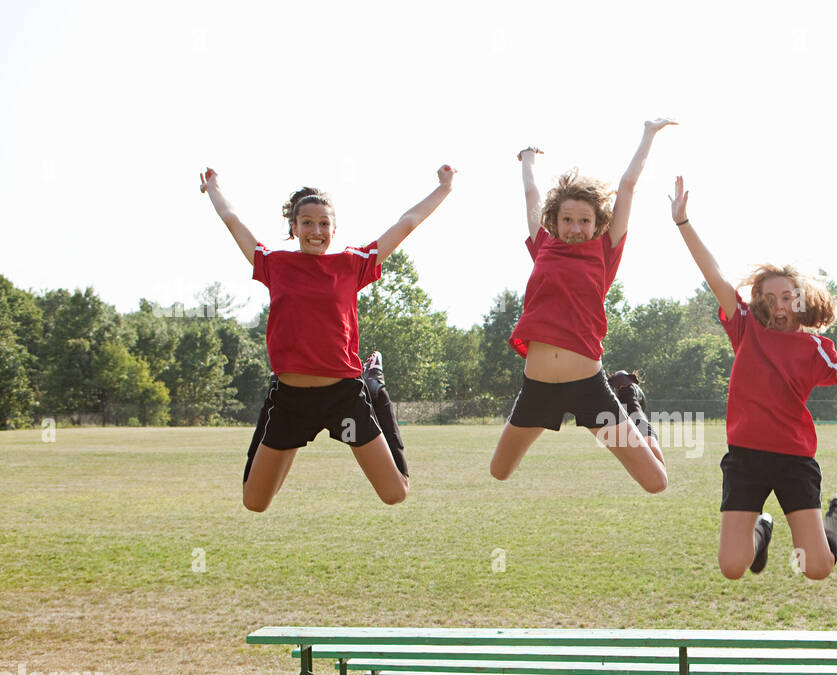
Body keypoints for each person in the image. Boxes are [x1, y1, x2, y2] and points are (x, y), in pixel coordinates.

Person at [671, 177, 837, 580]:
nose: (779, 305)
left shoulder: (813, 347)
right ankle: (762, 530)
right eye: (769, 298)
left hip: (793, 459)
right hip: (745, 457)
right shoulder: (745, 326)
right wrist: (683, 223)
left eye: (787, 297)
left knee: (816, 568)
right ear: (758, 301)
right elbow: (714, 275)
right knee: (732, 566)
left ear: (800, 301)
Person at [199, 165, 454, 511]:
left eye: (323, 223)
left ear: (333, 228)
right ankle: (284, 432)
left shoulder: (352, 263)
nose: (316, 230)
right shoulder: (275, 264)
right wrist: (214, 188)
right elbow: (233, 220)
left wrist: (444, 188)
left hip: (343, 398)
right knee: (255, 502)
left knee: (395, 493)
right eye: (307, 222)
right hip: (290, 400)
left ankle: (375, 387)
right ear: (294, 227)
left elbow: (406, 223)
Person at [489, 120, 676, 493]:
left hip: (590, 386)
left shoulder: (604, 251)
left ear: (597, 224)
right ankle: (629, 404)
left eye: (584, 221)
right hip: (537, 387)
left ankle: (629, 400)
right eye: (568, 220)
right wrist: (527, 159)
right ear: (555, 222)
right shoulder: (543, 245)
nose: (576, 228)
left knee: (656, 481)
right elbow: (531, 196)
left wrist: (649, 134)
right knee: (499, 471)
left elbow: (627, 186)